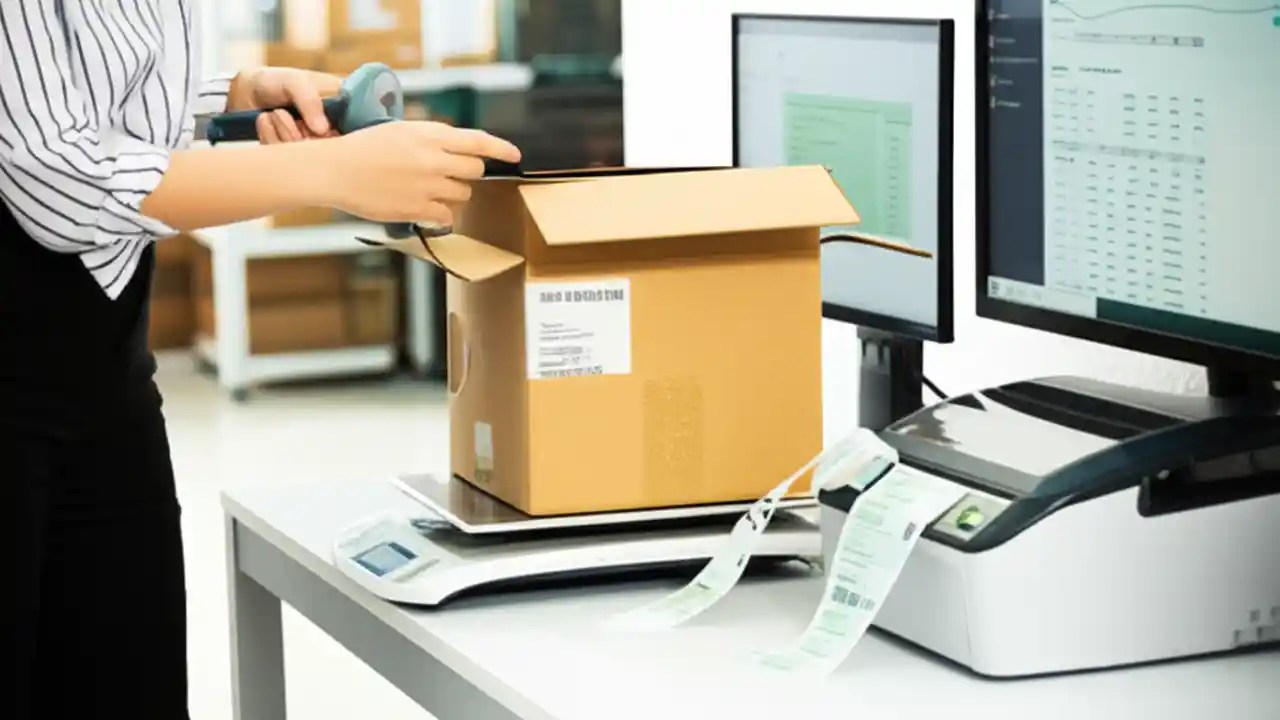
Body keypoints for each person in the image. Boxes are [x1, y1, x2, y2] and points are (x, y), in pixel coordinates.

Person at [0, 3, 521, 718]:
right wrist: (326, 171)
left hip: (103, 366)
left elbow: (74, 90)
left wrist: (235, 93)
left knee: (127, 676)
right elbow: (58, 185)